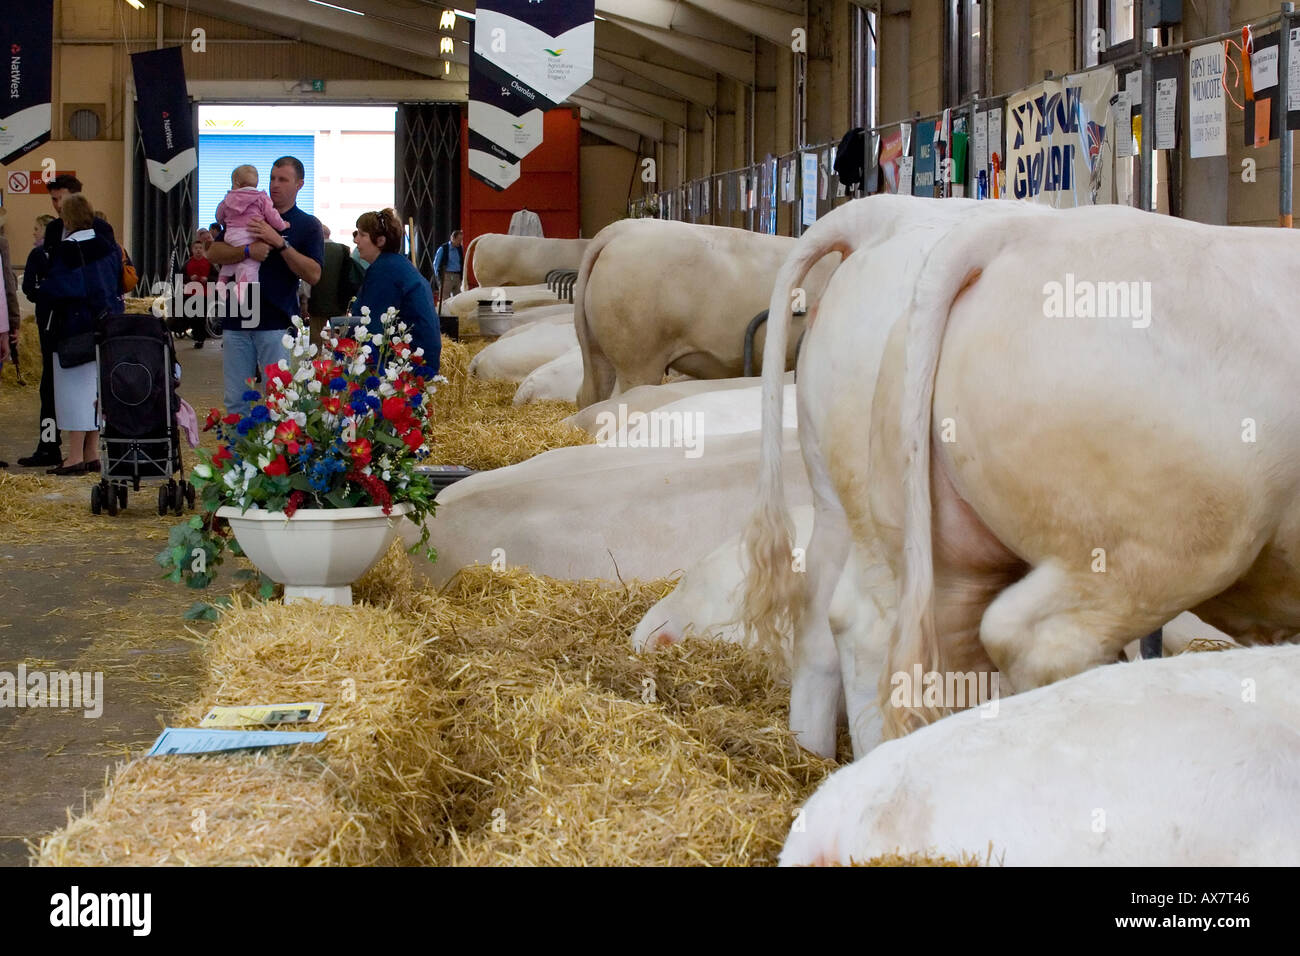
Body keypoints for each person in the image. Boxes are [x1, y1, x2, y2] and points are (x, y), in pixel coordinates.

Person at [204, 156, 323, 418]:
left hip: (276, 324)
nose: (274, 185)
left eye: (283, 179)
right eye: (271, 178)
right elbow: (214, 252)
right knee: (236, 401)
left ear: (299, 184)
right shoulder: (246, 211)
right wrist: (247, 250)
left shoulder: (306, 225)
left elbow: (313, 274)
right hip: (237, 321)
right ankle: (238, 457)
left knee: (279, 401)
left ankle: (276, 458)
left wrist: (279, 243)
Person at [17, 175, 116, 468]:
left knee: (76, 389)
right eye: (53, 199)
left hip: (73, 326)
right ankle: (59, 447)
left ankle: (77, 455)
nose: (56, 205)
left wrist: (42, 289)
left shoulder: (81, 242)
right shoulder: (94, 240)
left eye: (60, 199)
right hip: (94, 321)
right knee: (65, 389)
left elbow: (60, 283)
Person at [348, 208, 440, 376]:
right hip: (423, 359)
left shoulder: (384, 271)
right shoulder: (396, 265)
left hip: (408, 367)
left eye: (361, 235)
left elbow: (372, 326)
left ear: (380, 241)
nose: (355, 240)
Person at [213, 164, 288, 297]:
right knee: (250, 265)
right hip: (249, 235)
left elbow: (219, 215)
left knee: (231, 261)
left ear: (235, 182)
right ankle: (241, 290)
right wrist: (282, 226)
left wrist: (223, 221)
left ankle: (222, 280)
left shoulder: (229, 198)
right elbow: (272, 216)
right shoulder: (261, 197)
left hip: (231, 235)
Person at [307, 224, 360, 345]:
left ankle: (317, 362)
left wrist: (304, 302)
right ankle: (341, 361)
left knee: (316, 343)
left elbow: (307, 281)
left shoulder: (312, 251)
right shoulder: (344, 250)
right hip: (340, 303)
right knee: (342, 340)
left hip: (316, 304)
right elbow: (350, 276)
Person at [183, 238, 212, 348]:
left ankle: (200, 339)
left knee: (200, 317)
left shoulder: (208, 263)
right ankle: (196, 335)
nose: (198, 250)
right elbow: (180, 277)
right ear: (192, 250)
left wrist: (207, 279)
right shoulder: (187, 263)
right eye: (196, 248)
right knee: (192, 316)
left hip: (204, 294)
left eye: (200, 248)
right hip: (190, 293)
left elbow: (216, 277)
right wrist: (189, 278)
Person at [432, 229, 464, 312]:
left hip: (457, 276)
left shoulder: (460, 249)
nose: (460, 242)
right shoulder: (443, 249)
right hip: (446, 275)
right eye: (458, 240)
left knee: (458, 298)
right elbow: (436, 263)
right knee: (444, 298)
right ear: (453, 238)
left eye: (461, 240)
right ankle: (444, 314)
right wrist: (439, 278)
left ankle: (456, 315)